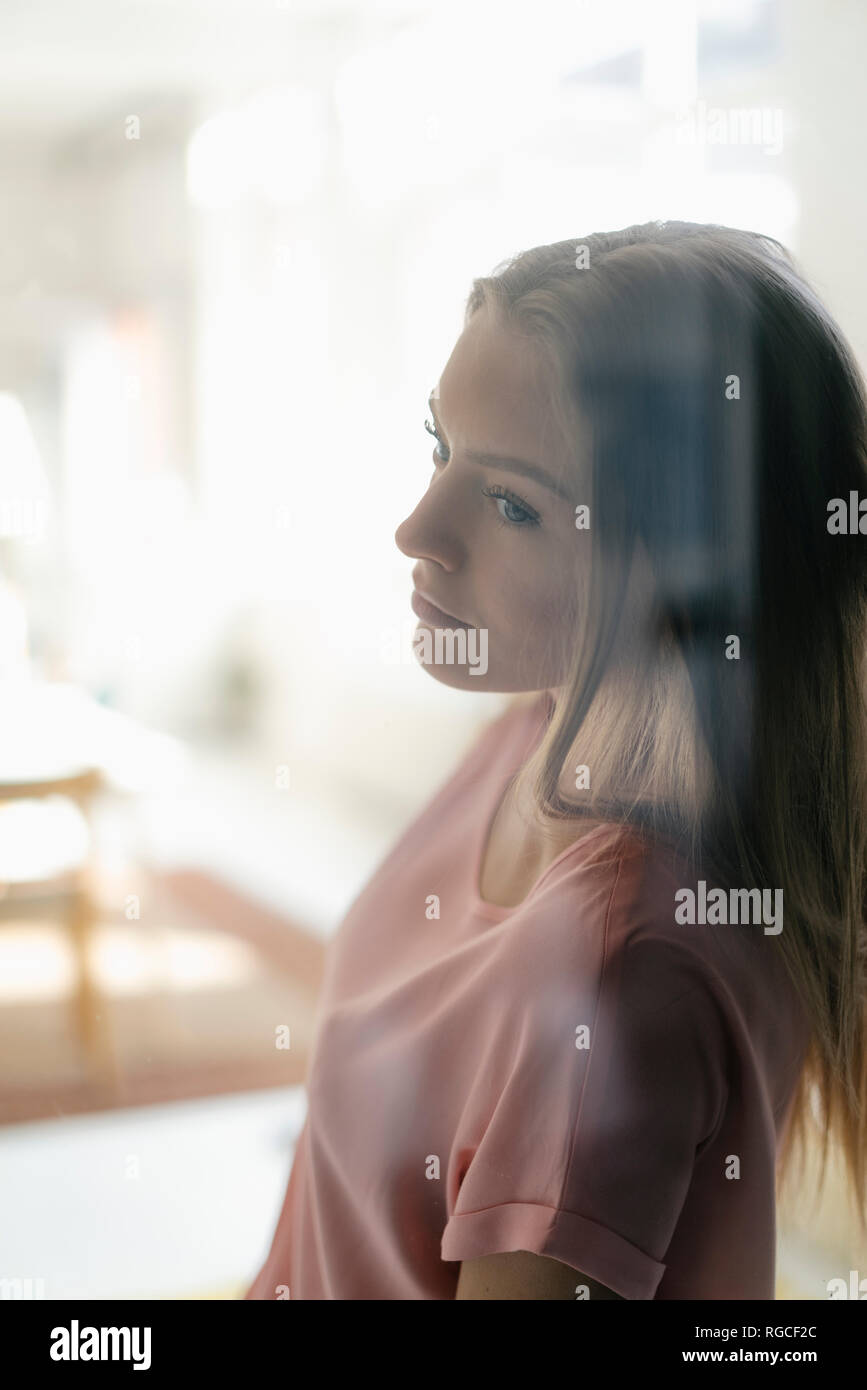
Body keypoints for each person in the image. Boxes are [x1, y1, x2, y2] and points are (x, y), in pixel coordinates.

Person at [245, 221, 867, 1300]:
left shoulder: (615, 975)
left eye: (512, 504)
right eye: (441, 450)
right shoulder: (528, 734)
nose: (416, 529)